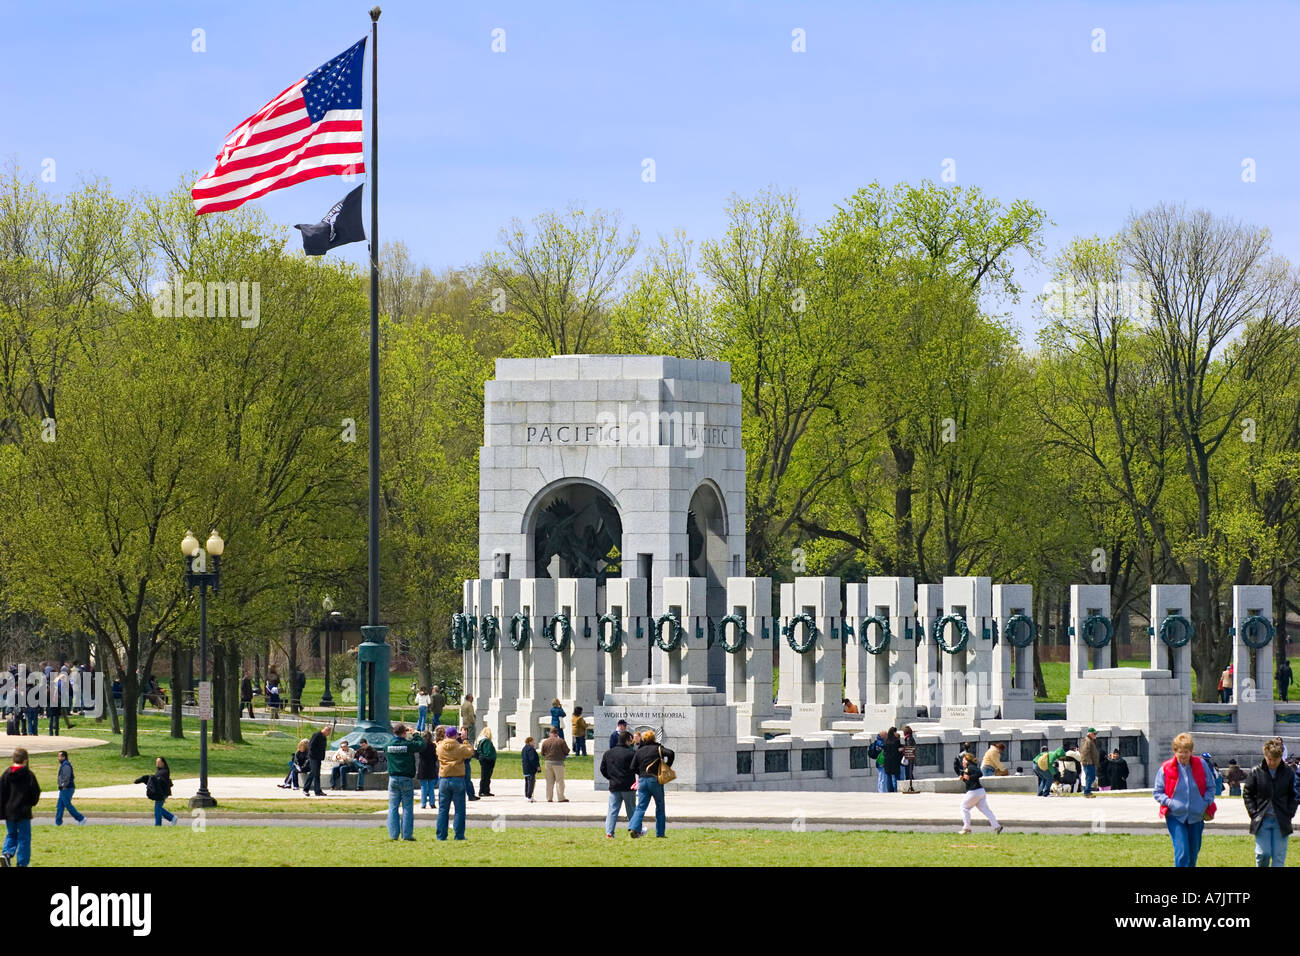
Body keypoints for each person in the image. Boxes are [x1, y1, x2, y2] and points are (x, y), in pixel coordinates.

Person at [1153, 733, 1216, 868]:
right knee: (1182, 853)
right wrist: (1170, 803)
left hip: (1197, 816)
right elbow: (1157, 793)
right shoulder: (1165, 768)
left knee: (1193, 854)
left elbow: (1211, 787)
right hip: (1175, 817)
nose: (1183, 755)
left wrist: (1205, 802)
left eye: (1186, 752)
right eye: (1180, 752)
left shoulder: (1201, 765)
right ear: (1175, 751)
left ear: (1191, 751)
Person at [1243, 738, 1298, 867]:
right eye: (1269, 759)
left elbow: (1294, 795)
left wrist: (1289, 812)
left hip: (1281, 820)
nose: (1272, 762)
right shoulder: (1256, 772)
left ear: (1281, 758)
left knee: (1278, 858)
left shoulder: (1289, 773)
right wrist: (1254, 813)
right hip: (1262, 820)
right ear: (1265, 756)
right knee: (1263, 854)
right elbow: (1247, 793)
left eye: (1275, 759)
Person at [627, 730, 675, 838]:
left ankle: (634, 827)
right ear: (654, 739)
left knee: (640, 807)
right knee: (660, 807)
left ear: (644, 739)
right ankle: (660, 833)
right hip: (655, 780)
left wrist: (641, 773)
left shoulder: (639, 751)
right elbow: (671, 753)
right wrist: (667, 766)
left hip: (643, 781)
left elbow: (632, 767)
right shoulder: (657, 748)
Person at [383, 723, 425, 841]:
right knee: (407, 807)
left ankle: (393, 835)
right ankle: (406, 835)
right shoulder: (407, 745)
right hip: (406, 778)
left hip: (393, 779)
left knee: (393, 807)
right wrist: (415, 734)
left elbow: (385, 748)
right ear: (404, 732)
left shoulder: (388, 745)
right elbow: (421, 745)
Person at [0, 748, 40, 867]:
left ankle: (7, 854)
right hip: (23, 811)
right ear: (25, 760)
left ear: (13, 759)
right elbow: (35, 792)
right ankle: (22, 863)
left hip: (9, 811)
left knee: (11, 834)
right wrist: (31, 803)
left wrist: (2, 810)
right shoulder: (28, 774)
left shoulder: (6, 774)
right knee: (24, 838)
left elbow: (1, 793)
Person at [435, 726, 475, 840]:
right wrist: (465, 740)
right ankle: (459, 835)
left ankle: (441, 835)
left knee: (443, 809)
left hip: (444, 779)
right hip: (458, 778)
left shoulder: (440, 747)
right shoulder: (460, 747)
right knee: (459, 809)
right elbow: (470, 752)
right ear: (455, 735)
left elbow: (437, 746)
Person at [600, 730, 637, 837]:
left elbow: (603, 769)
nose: (631, 742)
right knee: (631, 809)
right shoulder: (631, 754)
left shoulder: (608, 753)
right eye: (630, 740)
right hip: (628, 785)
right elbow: (636, 768)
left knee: (612, 810)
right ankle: (634, 829)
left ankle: (609, 832)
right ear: (626, 741)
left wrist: (610, 778)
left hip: (614, 785)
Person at [958, 751, 1003, 834]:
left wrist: (969, 777)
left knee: (964, 808)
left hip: (974, 791)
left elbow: (979, 773)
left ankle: (966, 828)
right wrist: (964, 778)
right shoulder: (968, 768)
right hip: (980, 791)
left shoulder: (971, 767)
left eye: (963, 760)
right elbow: (970, 780)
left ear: (967, 761)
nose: (962, 762)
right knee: (986, 810)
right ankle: (997, 826)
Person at [134, 757, 177, 826]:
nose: (157, 763)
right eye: (156, 762)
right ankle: (172, 817)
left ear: (163, 763)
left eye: (159, 762)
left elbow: (159, 780)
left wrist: (152, 778)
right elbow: (155, 779)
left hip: (162, 793)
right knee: (159, 808)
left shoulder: (165, 771)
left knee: (157, 810)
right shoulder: (159, 771)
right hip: (160, 793)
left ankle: (158, 825)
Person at [54, 751, 86, 827]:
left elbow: (67, 777)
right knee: (60, 806)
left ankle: (81, 818)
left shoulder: (66, 765)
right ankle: (58, 823)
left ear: (64, 757)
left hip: (67, 788)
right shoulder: (64, 765)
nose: (58, 758)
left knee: (68, 805)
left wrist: (63, 785)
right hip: (64, 789)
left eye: (60, 756)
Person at [541, 725, 570, 801]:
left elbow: (542, 753)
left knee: (549, 782)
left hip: (548, 762)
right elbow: (567, 751)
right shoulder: (561, 741)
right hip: (558, 763)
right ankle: (561, 798)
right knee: (559, 781)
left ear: (550, 733)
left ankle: (549, 798)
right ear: (557, 733)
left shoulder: (545, 742)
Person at [305, 725, 330, 797]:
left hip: (319, 758)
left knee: (317, 775)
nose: (328, 734)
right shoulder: (316, 735)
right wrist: (313, 755)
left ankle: (318, 791)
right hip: (313, 757)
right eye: (328, 733)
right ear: (325, 730)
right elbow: (311, 745)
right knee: (313, 772)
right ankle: (305, 789)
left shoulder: (324, 737)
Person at [417, 730, 439, 809]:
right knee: (431, 787)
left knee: (423, 786)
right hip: (431, 767)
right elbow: (435, 757)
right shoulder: (433, 746)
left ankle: (423, 803)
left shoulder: (421, 746)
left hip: (423, 767)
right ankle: (432, 803)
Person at [475, 728, 497, 797]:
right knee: (486, 776)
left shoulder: (481, 740)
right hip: (487, 760)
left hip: (483, 759)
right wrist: (491, 758)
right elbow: (488, 752)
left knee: (485, 776)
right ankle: (483, 791)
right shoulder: (486, 741)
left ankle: (485, 790)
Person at [1079, 729, 1100, 797]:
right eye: (1094, 733)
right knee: (1089, 777)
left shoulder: (1091, 741)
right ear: (1090, 734)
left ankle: (1088, 791)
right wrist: (1087, 761)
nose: (1095, 735)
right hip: (1088, 762)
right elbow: (1084, 752)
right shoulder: (1087, 741)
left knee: (1092, 777)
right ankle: (1087, 792)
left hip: (1092, 762)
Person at [460, 727, 479, 801]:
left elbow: (471, 751)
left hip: (466, 762)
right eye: (463, 732)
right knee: (463, 780)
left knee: (467, 780)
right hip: (461, 763)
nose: (464, 734)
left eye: (465, 733)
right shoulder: (458, 740)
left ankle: (471, 795)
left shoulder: (468, 741)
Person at [882, 727, 902, 793]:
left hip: (887, 761)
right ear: (894, 732)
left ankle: (890, 791)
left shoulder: (885, 741)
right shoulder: (896, 740)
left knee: (888, 777)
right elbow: (898, 750)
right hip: (895, 761)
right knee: (896, 777)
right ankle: (897, 790)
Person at [900, 726, 918, 793]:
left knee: (909, 773)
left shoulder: (908, 739)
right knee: (909, 773)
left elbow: (909, 748)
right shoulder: (910, 738)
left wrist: (903, 749)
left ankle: (911, 786)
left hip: (909, 759)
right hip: (911, 758)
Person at [521, 735, 540, 802]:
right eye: (533, 742)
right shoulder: (530, 749)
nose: (534, 743)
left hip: (525, 768)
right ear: (530, 742)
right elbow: (532, 759)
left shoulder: (524, 748)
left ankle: (527, 795)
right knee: (531, 782)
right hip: (530, 769)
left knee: (527, 782)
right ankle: (529, 796)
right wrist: (537, 766)